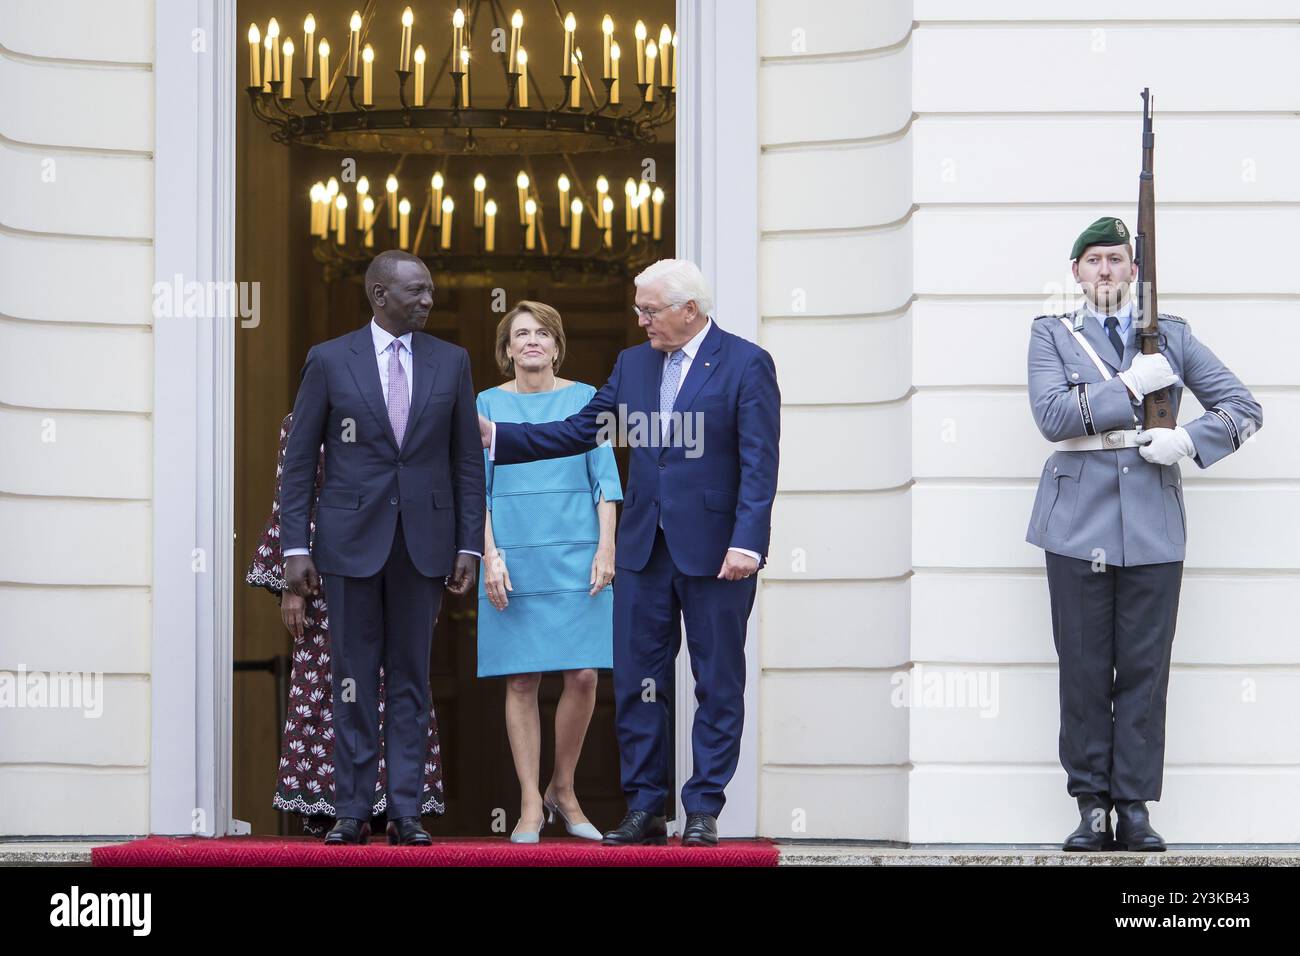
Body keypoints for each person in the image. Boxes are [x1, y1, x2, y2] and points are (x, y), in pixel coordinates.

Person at [478, 259, 780, 847]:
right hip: (645, 550)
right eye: (639, 310)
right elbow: (582, 429)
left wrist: (748, 541)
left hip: (719, 551)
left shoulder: (746, 363)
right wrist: (505, 436)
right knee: (640, 682)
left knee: (717, 681)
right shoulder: (633, 365)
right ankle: (646, 807)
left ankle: (703, 807)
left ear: (687, 310)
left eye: (649, 310)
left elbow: (759, 463)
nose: (640, 320)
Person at [1026, 216, 1262, 852]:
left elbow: (1243, 408)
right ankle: (1090, 805)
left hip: (1153, 525)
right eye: (1093, 260)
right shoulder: (1053, 333)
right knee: (1082, 669)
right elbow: (1051, 416)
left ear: (1134, 271)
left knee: (1144, 670)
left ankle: (1132, 806)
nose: (1105, 270)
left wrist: (1187, 439)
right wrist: (1128, 384)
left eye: (1116, 259)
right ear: (1076, 272)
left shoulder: (1172, 336)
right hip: (1077, 524)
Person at [279, 250, 485, 846]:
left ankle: (406, 813)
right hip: (347, 547)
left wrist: (468, 545)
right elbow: (298, 464)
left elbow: (465, 462)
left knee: (411, 681)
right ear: (379, 295)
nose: (428, 300)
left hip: (424, 547)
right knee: (351, 678)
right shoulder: (328, 359)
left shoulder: (452, 362)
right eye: (416, 291)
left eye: (430, 291)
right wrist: (296, 546)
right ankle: (350, 811)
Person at [245, 412, 447, 837]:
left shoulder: (400, 414)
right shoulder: (300, 421)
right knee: (331, 684)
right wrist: (291, 582)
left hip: (392, 559)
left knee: (396, 680)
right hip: (323, 569)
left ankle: (396, 806)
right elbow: (291, 497)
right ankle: (334, 807)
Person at [476, 301, 623, 843]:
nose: (532, 341)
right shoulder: (485, 404)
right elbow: (478, 494)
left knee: (583, 674)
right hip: (513, 555)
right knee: (521, 678)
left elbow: (605, 481)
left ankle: (564, 788)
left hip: (579, 551)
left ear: (557, 346)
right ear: (507, 349)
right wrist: (490, 556)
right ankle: (529, 806)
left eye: (542, 333)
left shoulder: (586, 399)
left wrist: (607, 549)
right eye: (521, 334)